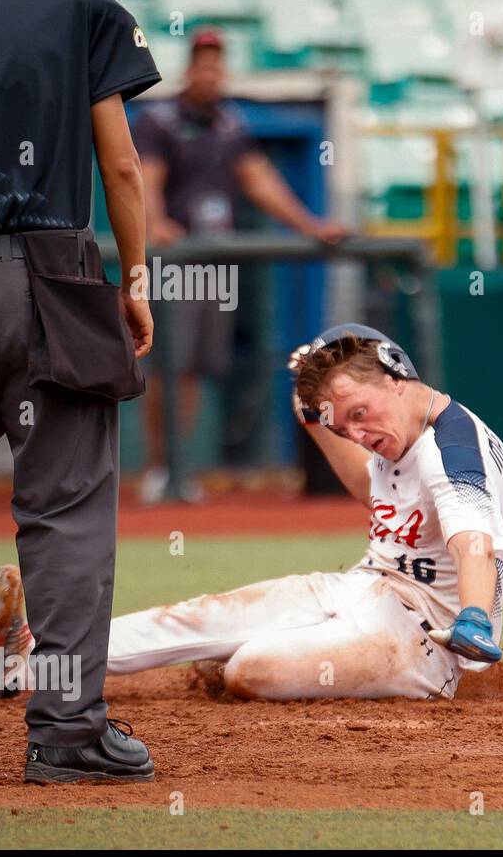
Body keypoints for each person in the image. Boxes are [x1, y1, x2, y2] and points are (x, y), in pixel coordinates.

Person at [0, 326, 503, 703]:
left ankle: (263, 655)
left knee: (248, 668)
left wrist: (474, 615)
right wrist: (316, 418)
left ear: (396, 378)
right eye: (344, 429)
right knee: (200, 615)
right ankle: (26, 662)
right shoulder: (400, 433)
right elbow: (372, 487)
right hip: (365, 587)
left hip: (430, 641)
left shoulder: (453, 452)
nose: (357, 435)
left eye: (360, 415)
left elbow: (471, 538)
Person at [0, 0, 159, 783]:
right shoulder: (81, 4)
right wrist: (137, 275)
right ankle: (66, 733)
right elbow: (119, 160)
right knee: (66, 507)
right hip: (47, 274)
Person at [131, 28, 349, 504]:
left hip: (216, 261)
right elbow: (145, 179)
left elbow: (260, 181)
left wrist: (310, 225)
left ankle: (179, 468)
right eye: (203, 64)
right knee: (172, 365)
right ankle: (158, 469)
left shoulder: (230, 125)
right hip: (178, 260)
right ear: (189, 69)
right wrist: (157, 221)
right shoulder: (160, 119)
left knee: (196, 369)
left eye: (218, 64)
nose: (211, 73)